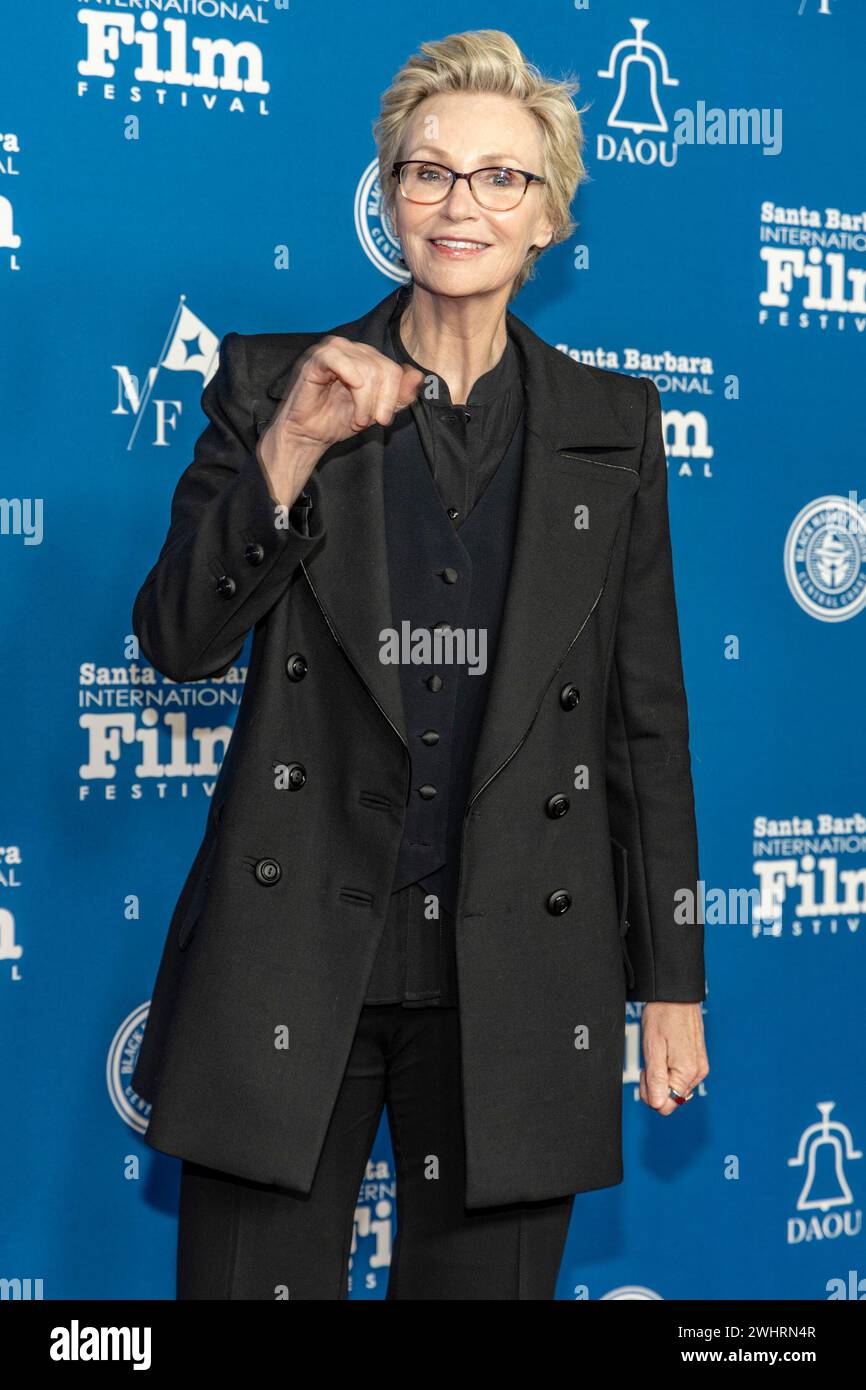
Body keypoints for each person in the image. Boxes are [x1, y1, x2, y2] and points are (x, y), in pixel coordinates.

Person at [131, 29, 709, 1301]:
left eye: (500, 177)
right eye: (431, 171)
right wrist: (284, 451)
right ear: (387, 196)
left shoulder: (614, 427)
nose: (463, 203)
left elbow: (641, 722)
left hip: (515, 976)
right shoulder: (271, 382)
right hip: (287, 959)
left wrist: (670, 981)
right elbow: (175, 640)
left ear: (547, 215)